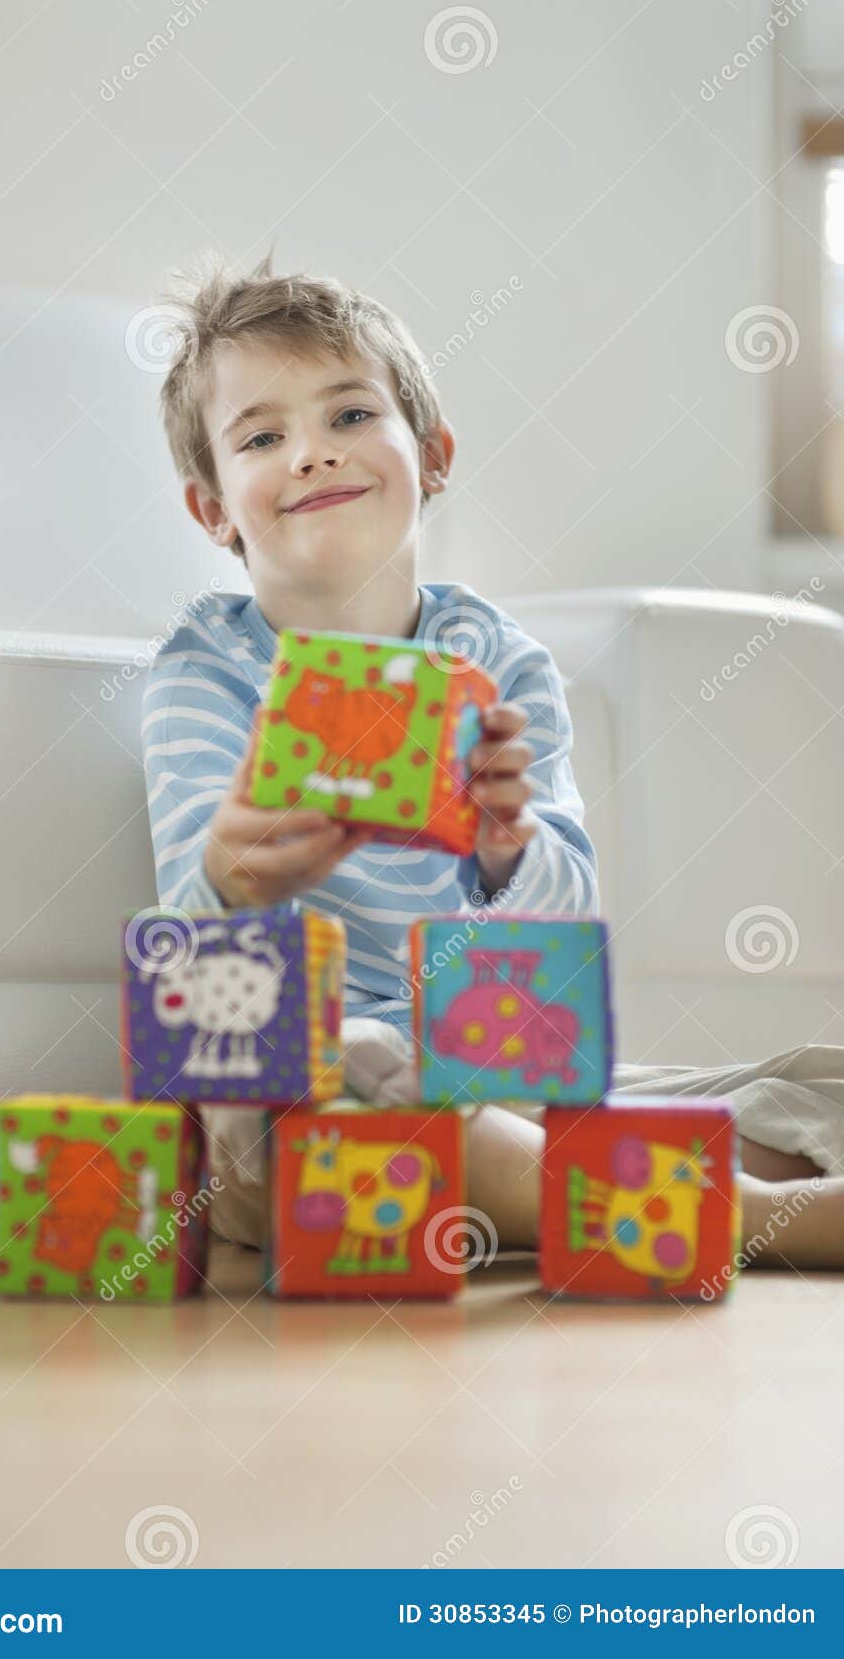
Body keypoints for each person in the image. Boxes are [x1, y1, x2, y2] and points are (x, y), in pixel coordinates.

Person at [141, 253, 844, 1271]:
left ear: (431, 456)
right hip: (304, 1081)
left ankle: (638, 1178)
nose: (311, 454)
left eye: (348, 415)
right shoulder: (206, 672)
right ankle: (730, 1210)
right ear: (214, 510)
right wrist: (232, 875)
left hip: (496, 1071)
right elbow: (189, 968)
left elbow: (563, 927)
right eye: (262, 435)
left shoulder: (498, 662)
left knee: (813, 1085)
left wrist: (509, 850)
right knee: (350, 1088)